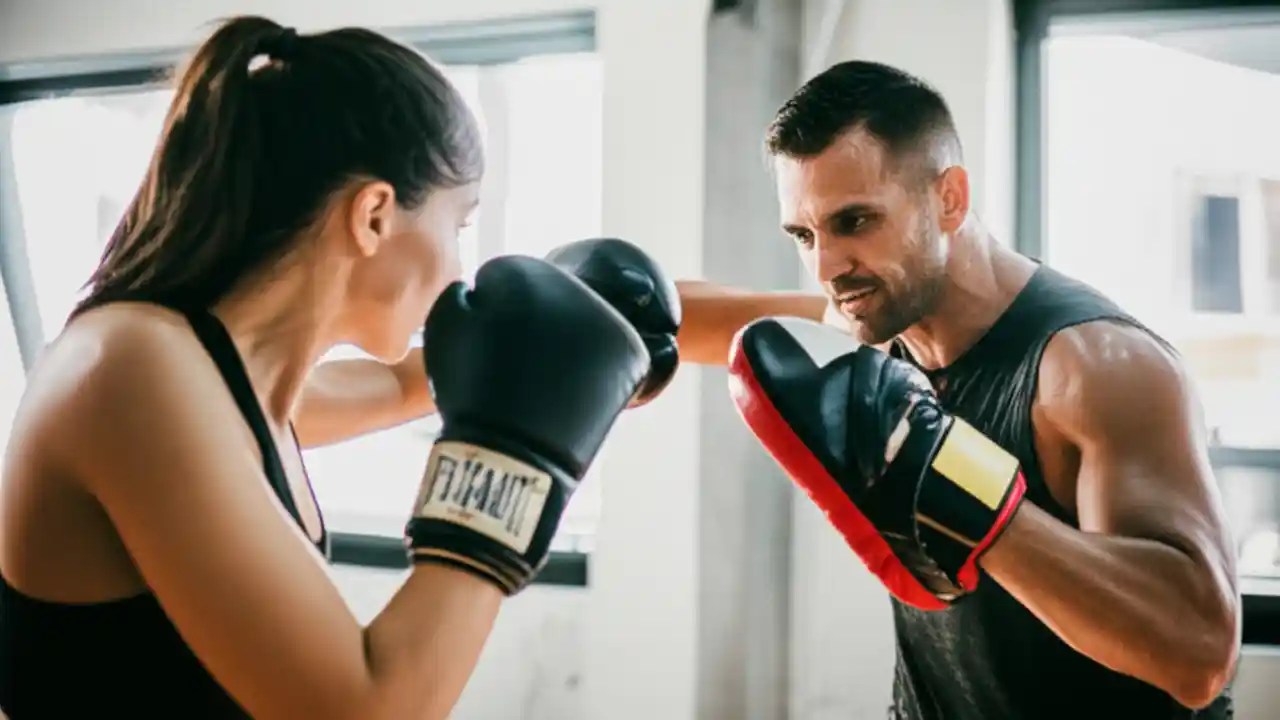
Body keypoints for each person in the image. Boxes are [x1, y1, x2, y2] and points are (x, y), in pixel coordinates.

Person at [0, 16, 680, 719]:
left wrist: (782, 311)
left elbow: (411, 381)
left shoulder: (243, 388)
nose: (457, 268)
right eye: (460, 226)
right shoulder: (129, 368)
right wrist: (514, 464)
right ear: (375, 215)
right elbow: (365, 710)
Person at [701, 60, 1243, 719]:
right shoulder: (874, 318)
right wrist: (584, 312)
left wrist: (968, 498)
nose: (827, 267)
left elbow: (1199, 654)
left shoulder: (1092, 368)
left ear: (949, 198)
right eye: (803, 234)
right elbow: (701, 317)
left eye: (855, 222)